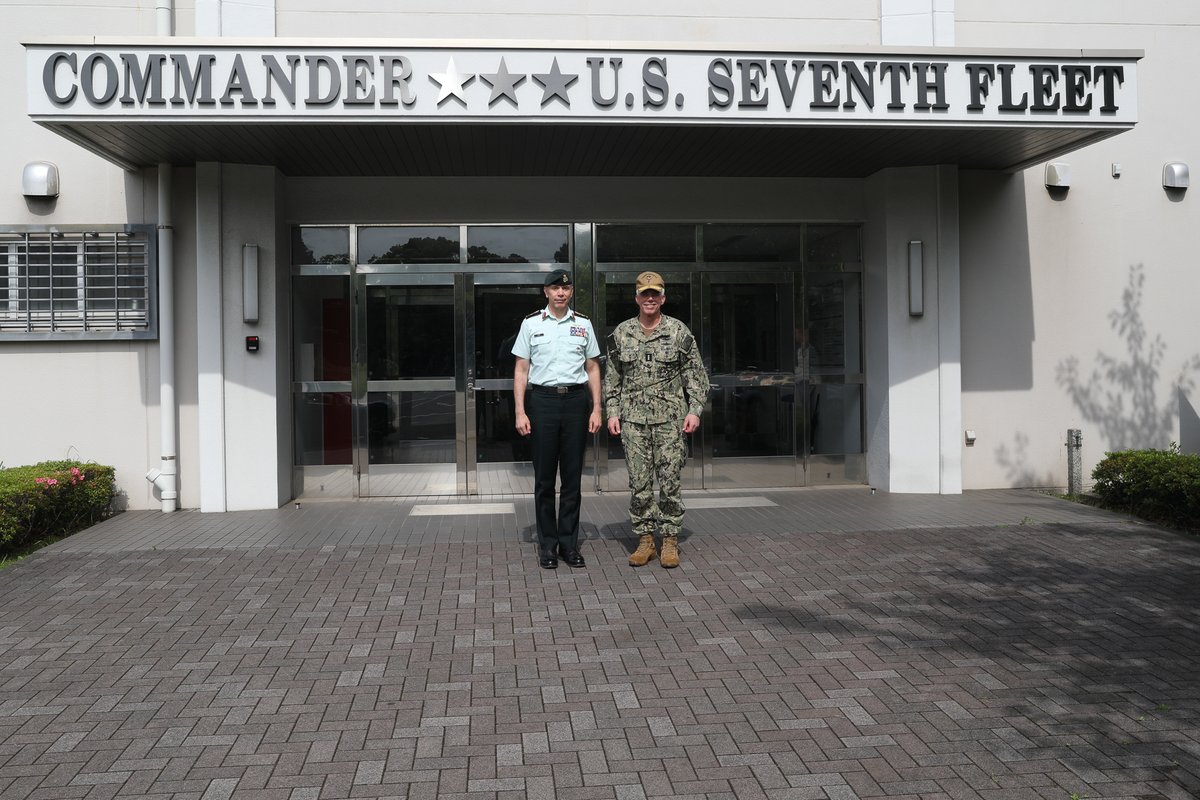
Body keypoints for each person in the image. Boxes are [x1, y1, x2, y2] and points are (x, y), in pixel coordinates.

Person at [604, 271, 708, 568]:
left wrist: (694, 410)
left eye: (655, 294)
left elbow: (695, 374)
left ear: (663, 298)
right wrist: (612, 412)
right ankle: (646, 540)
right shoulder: (621, 333)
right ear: (636, 298)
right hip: (633, 422)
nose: (649, 298)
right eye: (644, 294)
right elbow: (612, 377)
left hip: (670, 421)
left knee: (670, 481)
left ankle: (670, 539)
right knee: (639, 483)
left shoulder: (678, 331)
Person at [512, 269, 602, 569]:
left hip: (576, 402)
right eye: (555, 288)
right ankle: (548, 546)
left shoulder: (583, 324)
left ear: (571, 291)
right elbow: (521, 370)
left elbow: (592, 368)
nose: (560, 293)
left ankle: (569, 545)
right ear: (546, 292)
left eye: (565, 288)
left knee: (573, 479)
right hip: (543, 402)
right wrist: (520, 411)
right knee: (544, 480)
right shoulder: (531, 323)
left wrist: (597, 408)